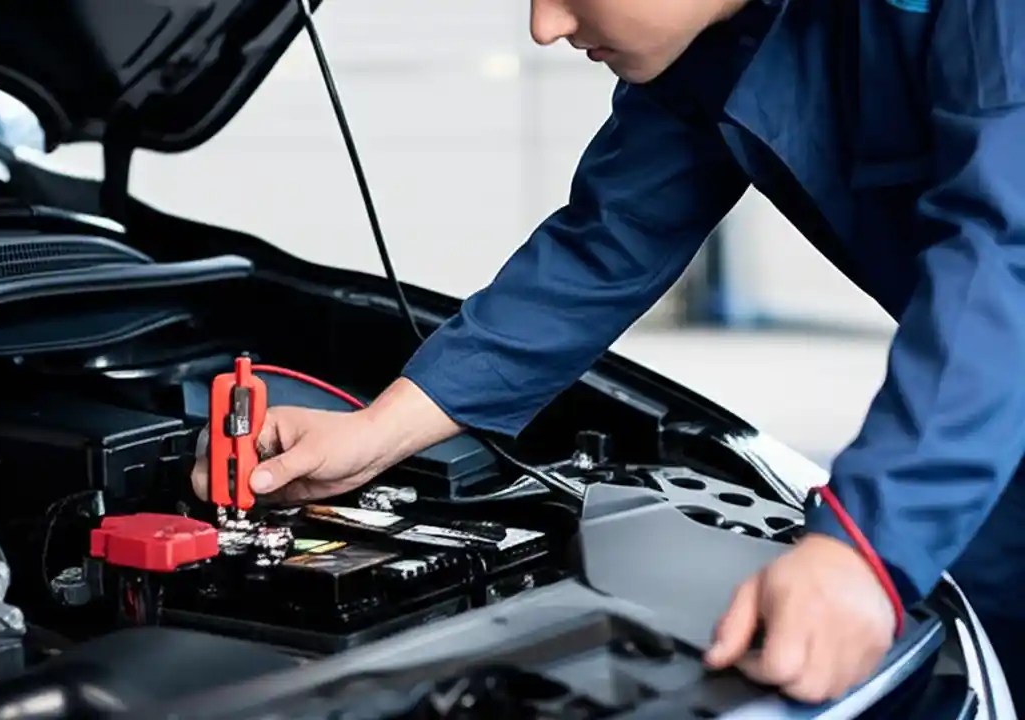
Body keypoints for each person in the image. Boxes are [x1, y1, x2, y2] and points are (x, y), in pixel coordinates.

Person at [193, 0, 1025, 705]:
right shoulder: (718, 45)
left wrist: (865, 549)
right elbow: (604, 245)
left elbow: (1007, 262)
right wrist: (374, 433)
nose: (544, 25)